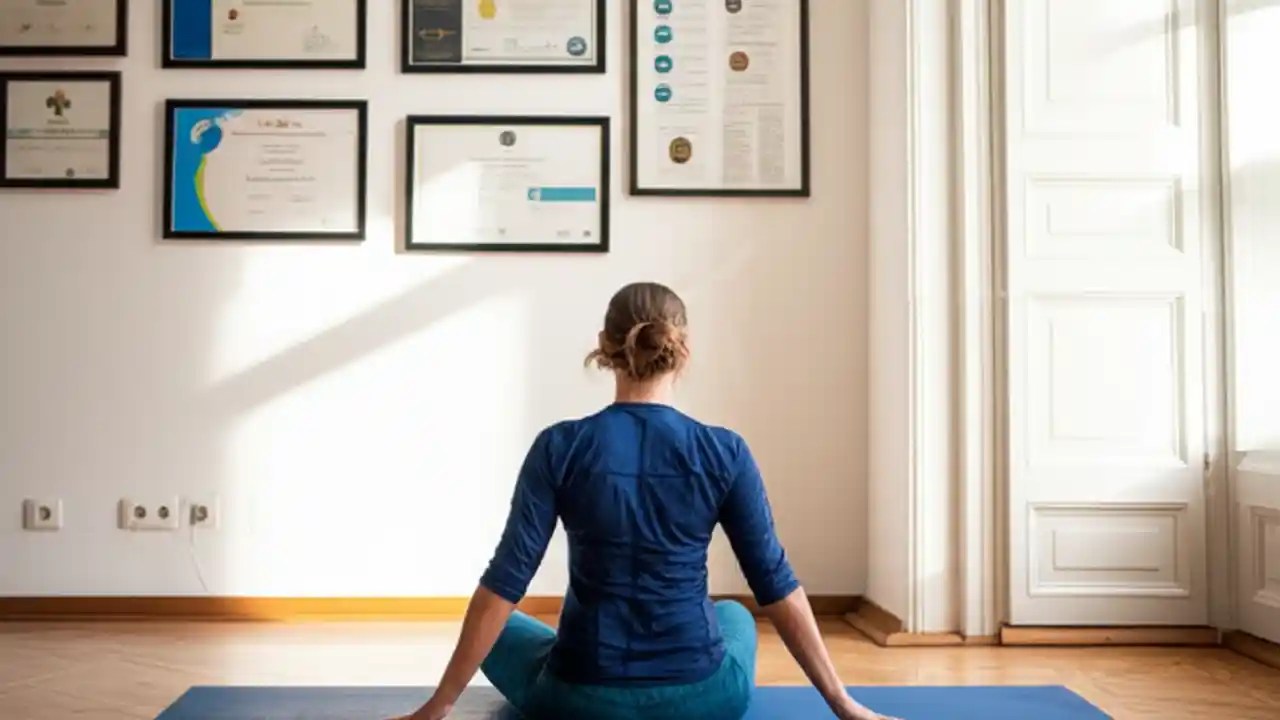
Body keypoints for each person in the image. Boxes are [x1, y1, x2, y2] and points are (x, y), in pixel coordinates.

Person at [392, 283, 895, 720]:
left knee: (499, 628)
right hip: (703, 703)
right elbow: (775, 582)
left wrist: (436, 709)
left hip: (577, 704)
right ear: (683, 348)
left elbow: (505, 581)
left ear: (603, 346)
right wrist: (842, 703)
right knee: (735, 617)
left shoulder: (559, 445)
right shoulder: (725, 450)